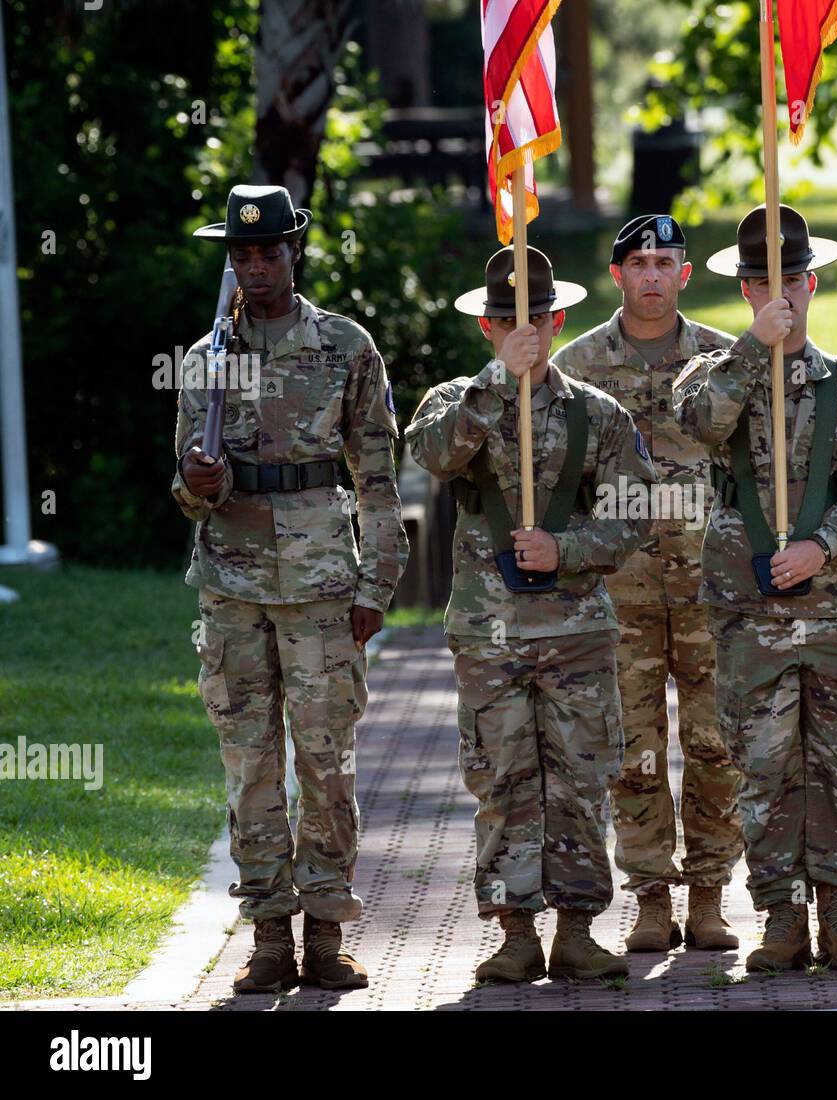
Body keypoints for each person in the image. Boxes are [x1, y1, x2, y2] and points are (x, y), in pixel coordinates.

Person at [175, 184, 408, 993]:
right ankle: (269, 932)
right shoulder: (205, 359)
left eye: (268, 252)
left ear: (292, 252)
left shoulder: (345, 347)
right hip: (233, 587)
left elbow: (378, 478)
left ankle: (326, 931)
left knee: (326, 761)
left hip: (319, 587)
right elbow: (187, 487)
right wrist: (198, 479)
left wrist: (377, 583)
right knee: (248, 763)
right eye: (242, 256)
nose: (256, 267)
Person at [405, 246, 657, 982]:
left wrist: (570, 549)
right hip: (489, 631)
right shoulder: (456, 401)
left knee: (581, 776)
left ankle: (577, 928)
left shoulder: (595, 414)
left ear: (559, 321)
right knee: (502, 778)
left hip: (576, 629)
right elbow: (432, 456)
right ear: (487, 327)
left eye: (540, 319)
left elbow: (637, 512)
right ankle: (513, 931)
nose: (528, 331)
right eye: (511, 321)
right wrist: (494, 385)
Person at [674, 205, 837, 972]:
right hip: (746, 611)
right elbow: (701, 425)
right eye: (764, 283)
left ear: (811, 285)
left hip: (835, 608)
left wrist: (821, 547)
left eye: (793, 282)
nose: (783, 295)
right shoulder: (713, 377)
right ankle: (780, 916)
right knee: (764, 767)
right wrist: (753, 352)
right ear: (745, 291)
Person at [551, 215, 743, 953]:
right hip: (617, 590)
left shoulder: (725, 361)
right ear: (618, 275)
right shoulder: (578, 365)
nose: (654, 275)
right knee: (632, 748)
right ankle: (651, 896)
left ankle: (710, 895)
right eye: (639, 262)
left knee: (714, 742)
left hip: (709, 586)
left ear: (686, 275)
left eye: (666, 262)